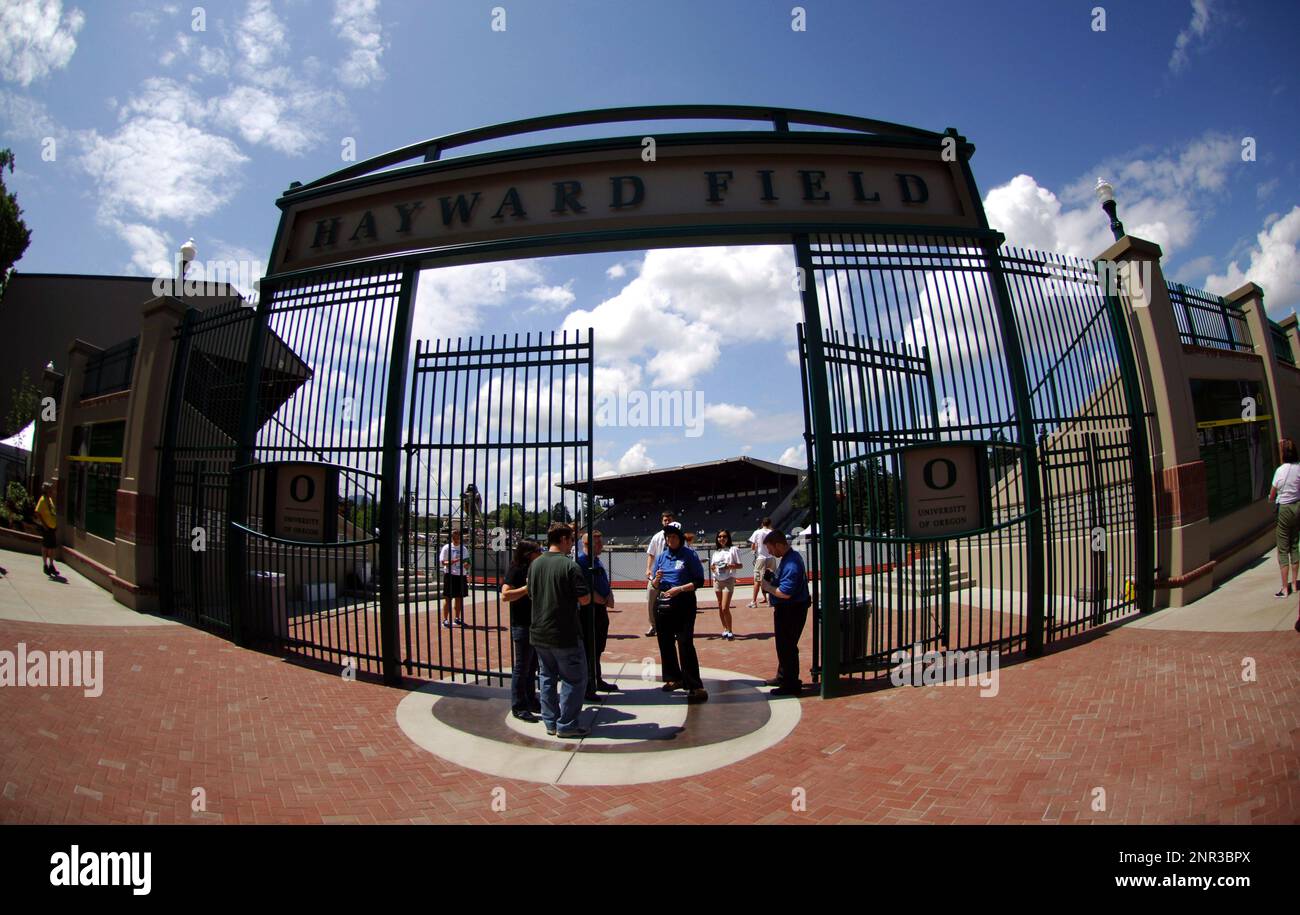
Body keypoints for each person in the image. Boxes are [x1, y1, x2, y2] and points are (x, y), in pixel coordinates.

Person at [528, 523, 593, 738]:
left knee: (547, 677)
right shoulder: (570, 566)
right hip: (564, 632)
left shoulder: (535, 565)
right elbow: (584, 599)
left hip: (539, 631)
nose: (572, 543)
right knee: (574, 679)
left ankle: (550, 721)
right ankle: (567, 724)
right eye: (571, 539)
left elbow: (531, 594)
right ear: (564, 539)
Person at [650, 525, 708, 703]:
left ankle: (694, 685)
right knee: (665, 642)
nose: (670, 540)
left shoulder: (689, 555)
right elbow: (654, 584)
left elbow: (699, 581)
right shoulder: (661, 557)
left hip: (684, 601)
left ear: (680, 538)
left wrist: (680, 589)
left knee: (684, 642)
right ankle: (674, 677)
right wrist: (657, 580)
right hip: (665, 602)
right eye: (667, 538)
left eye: (673, 537)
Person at [759, 529, 811, 697]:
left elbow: (785, 593)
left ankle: (791, 684)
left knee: (787, 647)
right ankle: (783, 677)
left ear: (779, 545)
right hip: (790, 608)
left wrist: (768, 587)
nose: (770, 553)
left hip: (791, 609)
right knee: (784, 646)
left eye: (771, 548)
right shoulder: (790, 559)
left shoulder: (792, 563)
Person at [501, 539, 543, 721]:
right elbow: (505, 595)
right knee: (522, 666)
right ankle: (518, 705)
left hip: (535, 622)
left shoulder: (534, 568)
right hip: (521, 623)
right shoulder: (516, 569)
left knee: (532, 665)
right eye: (537, 551)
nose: (540, 554)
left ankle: (531, 699)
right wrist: (527, 588)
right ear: (528, 553)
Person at [576, 529, 618, 696]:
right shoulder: (581, 562)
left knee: (598, 647)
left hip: (600, 610)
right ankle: (588, 685)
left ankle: (596, 679)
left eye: (601, 541)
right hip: (588, 611)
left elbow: (603, 582)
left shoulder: (596, 561)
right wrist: (604, 599)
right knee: (588, 648)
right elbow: (585, 590)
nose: (601, 545)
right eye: (597, 542)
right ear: (587, 543)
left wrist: (608, 595)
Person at [1269, 438, 1300, 597]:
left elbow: (1272, 494)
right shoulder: (1299, 468)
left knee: (1283, 549)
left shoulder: (1280, 471)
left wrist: (1271, 497)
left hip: (1285, 509)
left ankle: (1284, 588)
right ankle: (1294, 583)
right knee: (1295, 544)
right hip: (1297, 507)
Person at [644, 511, 681, 637]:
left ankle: (675, 627)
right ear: (662, 521)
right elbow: (651, 554)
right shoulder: (656, 537)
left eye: (669, 519)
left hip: (672, 573)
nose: (667, 522)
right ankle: (653, 625)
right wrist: (648, 569)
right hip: (657, 573)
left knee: (674, 600)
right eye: (665, 520)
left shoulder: (678, 536)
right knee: (651, 597)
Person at [710, 529, 743, 640]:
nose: (722, 538)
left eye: (724, 536)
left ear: (728, 538)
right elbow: (713, 566)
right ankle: (724, 629)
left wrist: (729, 566)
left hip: (729, 579)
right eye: (719, 536)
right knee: (720, 606)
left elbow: (740, 565)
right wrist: (713, 568)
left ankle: (730, 630)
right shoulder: (716, 552)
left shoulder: (733, 550)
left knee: (725, 607)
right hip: (717, 580)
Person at [439, 528, 469, 628]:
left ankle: (457, 618)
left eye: (458, 537)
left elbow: (467, 562)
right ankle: (445, 619)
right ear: (451, 538)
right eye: (454, 537)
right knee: (447, 598)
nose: (456, 539)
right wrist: (453, 561)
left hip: (461, 575)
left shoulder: (464, 549)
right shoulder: (446, 548)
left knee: (459, 598)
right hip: (450, 575)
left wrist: (466, 565)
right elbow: (443, 562)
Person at [747, 517, 775, 608]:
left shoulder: (757, 532)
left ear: (762, 524)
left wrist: (753, 551)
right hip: (771, 558)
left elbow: (753, 545)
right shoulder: (772, 532)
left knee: (757, 580)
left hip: (761, 558)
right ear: (770, 524)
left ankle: (754, 602)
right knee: (770, 579)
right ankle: (770, 601)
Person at [34, 482, 60, 578]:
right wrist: (44, 525)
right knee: (46, 547)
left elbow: (52, 513)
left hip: (52, 527)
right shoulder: (42, 500)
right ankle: (45, 565)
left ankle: (51, 565)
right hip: (47, 528)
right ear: (46, 490)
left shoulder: (50, 500)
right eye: (50, 489)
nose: (52, 491)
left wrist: (55, 524)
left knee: (52, 548)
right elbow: (37, 512)